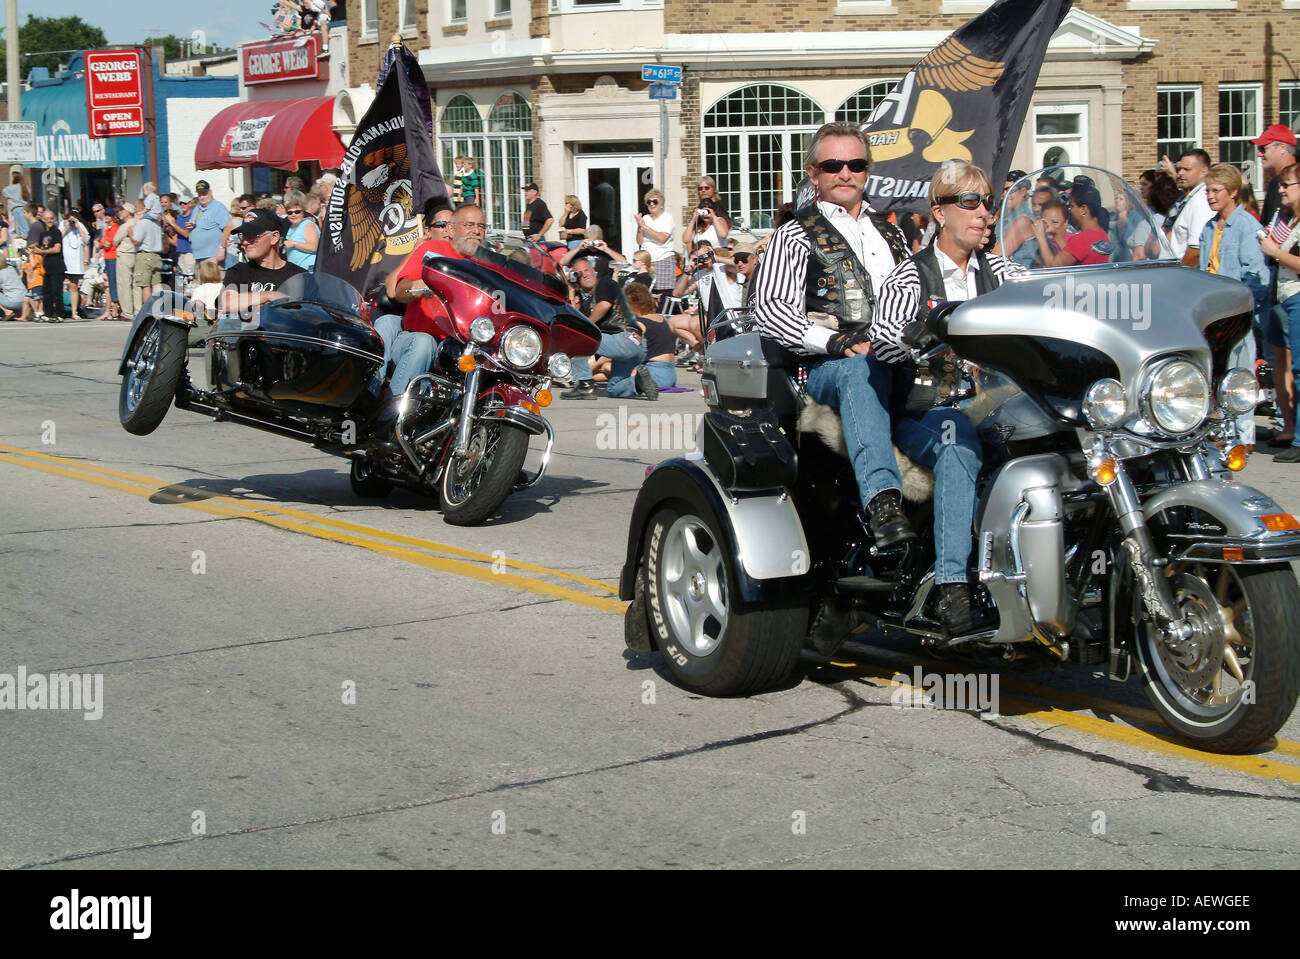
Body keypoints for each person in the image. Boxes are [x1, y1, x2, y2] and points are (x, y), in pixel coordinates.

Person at [873, 161, 1025, 633]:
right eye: (969, 202)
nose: (983, 214)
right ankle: (951, 588)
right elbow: (881, 337)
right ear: (939, 212)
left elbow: (1056, 297)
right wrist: (920, 332)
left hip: (995, 403)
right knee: (956, 444)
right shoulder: (910, 277)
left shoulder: (1002, 272)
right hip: (927, 407)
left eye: (988, 204)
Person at [753, 120, 911, 552]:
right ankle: (882, 502)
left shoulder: (895, 234)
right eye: (833, 165)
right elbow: (769, 310)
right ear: (813, 173)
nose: (845, 173)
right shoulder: (794, 233)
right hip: (828, 370)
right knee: (859, 368)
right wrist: (834, 342)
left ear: (867, 170)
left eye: (856, 164)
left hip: (901, 360)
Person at [372, 203, 486, 401]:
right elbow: (399, 290)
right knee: (422, 341)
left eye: (481, 226)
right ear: (452, 229)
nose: (476, 231)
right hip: (417, 340)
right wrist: (416, 286)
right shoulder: (432, 250)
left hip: (459, 350)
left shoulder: (486, 265)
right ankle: (390, 412)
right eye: (469, 224)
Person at [1200, 163, 1267, 450]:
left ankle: (1245, 434)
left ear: (1233, 193)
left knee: (1240, 373)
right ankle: (1220, 430)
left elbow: (1258, 273)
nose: (1211, 196)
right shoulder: (1208, 227)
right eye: (1207, 191)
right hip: (1210, 310)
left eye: (1216, 191)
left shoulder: (1247, 225)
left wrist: (1248, 308)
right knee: (1215, 372)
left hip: (1236, 311)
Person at [560, 258, 639, 400]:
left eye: (587, 270)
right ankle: (638, 382)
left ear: (594, 272)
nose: (584, 275)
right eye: (579, 273)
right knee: (615, 388)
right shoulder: (586, 302)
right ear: (575, 278)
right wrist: (571, 292)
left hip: (626, 338)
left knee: (576, 340)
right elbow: (573, 323)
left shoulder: (604, 282)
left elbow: (604, 305)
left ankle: (584, 386)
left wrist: (586, 325)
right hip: (634, 344)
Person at [1263, 162, 1300, 462]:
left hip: (1297, 298)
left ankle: (1299, 440)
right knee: (1284, 368)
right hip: (1281, 297)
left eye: (1288, 185)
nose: (1282, 189)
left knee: (1299, 371)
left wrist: (1276, 252)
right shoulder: (1288, 220)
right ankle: (1290, 430)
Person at [218, 210, 306, 318]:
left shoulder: (299, 276)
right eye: (243, 236)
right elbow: (226, 303)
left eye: (252, 235)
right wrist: (269, 295)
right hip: (249, 334)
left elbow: (310, 314)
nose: (245, 242)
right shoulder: (239, 271)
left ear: (274, 237)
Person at [608, 282, 676, 400]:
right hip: (670, 374)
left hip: (654, 372)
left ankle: (638, 383)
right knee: (606, 369)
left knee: (614, 388)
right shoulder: (663, 319)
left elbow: (625, 349)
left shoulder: (640, 324)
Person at [1034, 181, 1110, 267]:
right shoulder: (1101, 234)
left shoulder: (1083, 239)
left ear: (1083, 209)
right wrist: (1056, 234)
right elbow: (1072, 253)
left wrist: (1041, 237)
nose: (1070, 210)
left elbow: (1053, 267)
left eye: (1072, 206)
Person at [1164, 148, 1214, 266]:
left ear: (1204, 171)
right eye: (1179, 168)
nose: (1180, 173)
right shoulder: (1188, 197)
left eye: (1187, 169)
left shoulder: (1201, 201)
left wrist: (1181, 274)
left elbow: (1196, 250)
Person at [635, 189, 676, 295]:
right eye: (649, 202)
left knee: (662, 293)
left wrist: (645, 226)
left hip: (662, 258)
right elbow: (639, 241)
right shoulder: (646, 218)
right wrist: (639, 226)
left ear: (661, 203)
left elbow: (662, 238)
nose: (652, 204)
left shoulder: (667, 218)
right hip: (647, 261)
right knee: (646, 292)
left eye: (655, 201)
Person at [31, 209, 66, 321]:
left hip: (57, 265)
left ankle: (60, 314)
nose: (49, 221)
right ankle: (48, 313)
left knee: (57, 292)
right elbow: (43, 248)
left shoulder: (56, 232)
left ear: (54, 219)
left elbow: (57, 249)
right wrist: (34, 249)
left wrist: (41, 252)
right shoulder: (43, 234)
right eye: (47, 218)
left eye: (51, 218)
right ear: (43, 219)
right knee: (46, 292)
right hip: (46, 265)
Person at [188, 179, 230, 270]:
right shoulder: (196, 209)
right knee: (201, 284)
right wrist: (191, 227)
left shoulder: (218, 208)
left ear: (210, 192)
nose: (202, 197)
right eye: (200, 194)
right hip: (198, 256)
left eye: (204, 193)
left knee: (212, 284)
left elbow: (228, 228)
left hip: (212, 256)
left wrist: (222, 248)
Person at [682, 176, 730, 249]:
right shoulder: (699, 221)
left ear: (713, 189)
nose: (703, 190)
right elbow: (686, 240)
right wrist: (694, 219)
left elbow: (723, 234)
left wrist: (713, 217)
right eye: (700, 188)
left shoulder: (719, 207)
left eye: (706, 188)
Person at [131, 197, 163, 303]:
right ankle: (159, 308)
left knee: (145, 285)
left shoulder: (143, 222)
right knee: (156, 283)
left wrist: (130, 232)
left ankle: (149, 311)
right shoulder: (156, 223)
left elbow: (136, 241)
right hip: (156, 255)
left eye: (135, 206)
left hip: (145, 255)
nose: (134, 209)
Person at [61, 213, 90, 318]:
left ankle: (74, 312)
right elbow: (58, 238)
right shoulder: (63, 225)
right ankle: (59, 310)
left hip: (75, 263)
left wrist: (78, 226)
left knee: (74, 287)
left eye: (74, 220)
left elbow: (86, 240)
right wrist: (66, 227)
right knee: (60, 286)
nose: (72, 222)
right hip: (64, 262)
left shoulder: (80, 226)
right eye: (70, 220)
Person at [282, 189, 319, 271]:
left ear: (303, 210)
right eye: (290, 213)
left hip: (308, 269)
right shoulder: (292, 227)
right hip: (296, 271)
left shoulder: (308, 225)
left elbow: (313, 247)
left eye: (297, 211)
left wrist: (293, 244)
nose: (293, 214)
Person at [114, 207, 139, 318]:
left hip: (125, 255)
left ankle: (128, 312)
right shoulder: (138, 222)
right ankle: (138, 310)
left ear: (127, 212)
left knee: (124, 284)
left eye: (122, 211)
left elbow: (115, 241)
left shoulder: (125, 226)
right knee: (136, 285)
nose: (120, 213)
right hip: (136, 255)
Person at [168, 196, 197, 281]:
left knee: (189, 278)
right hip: (180, 251)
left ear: (190, 204)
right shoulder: (179, 217)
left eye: (185, 203)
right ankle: (179, 294)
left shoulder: (192, 217)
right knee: (179, 278)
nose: (183, 205)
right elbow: (175, 232)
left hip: (190, 252)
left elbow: (186, 234)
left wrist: (173, 224)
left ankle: (188, 294)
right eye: (181, 203)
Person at [3, 168, 29, 239]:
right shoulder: (25, 187)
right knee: (24, 226)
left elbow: (4, 192)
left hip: (17, 209)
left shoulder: (11, 188)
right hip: (25, 208)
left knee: (23, 230)